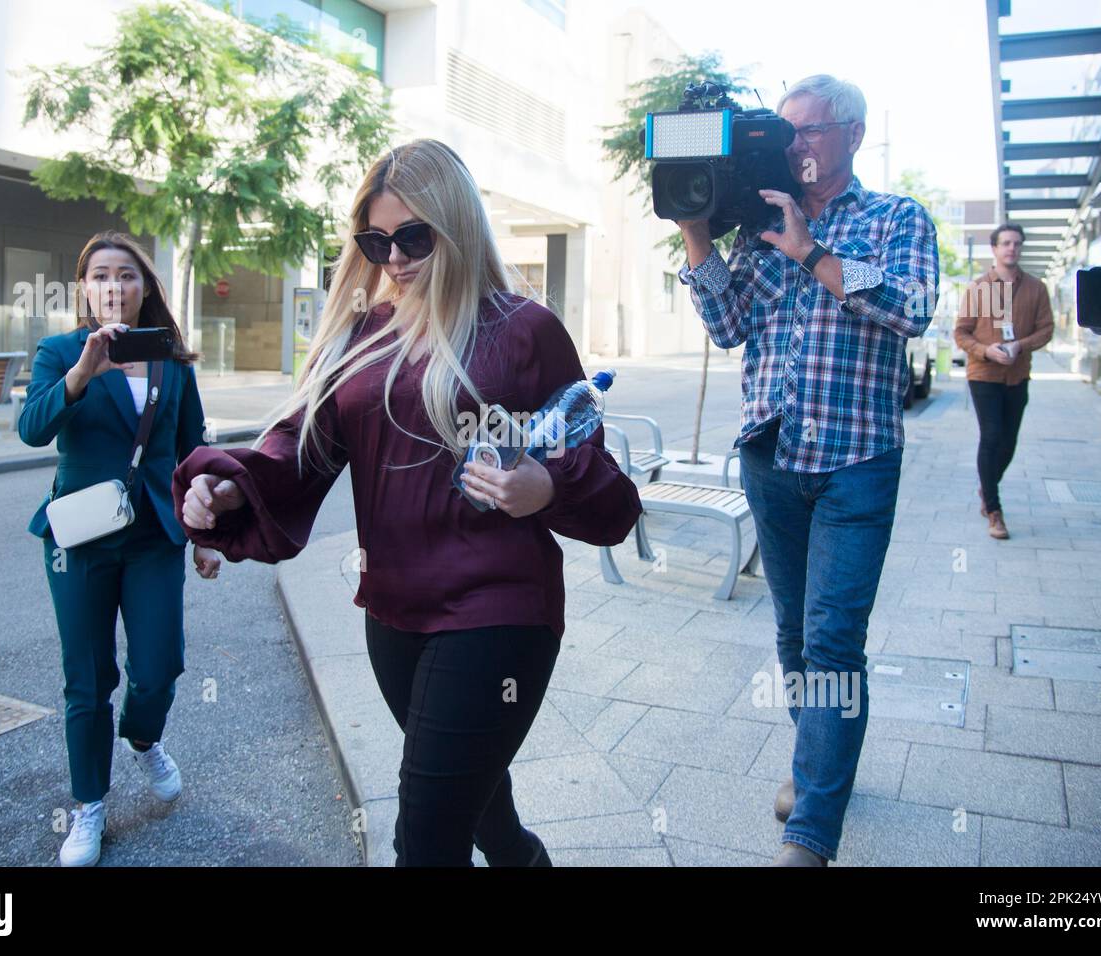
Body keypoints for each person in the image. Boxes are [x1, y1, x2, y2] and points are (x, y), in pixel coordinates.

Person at [173, 139, 642, 867]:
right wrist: (229, 485)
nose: (391, 258)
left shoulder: (524, 330)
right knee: (483, 813)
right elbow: (299, 451)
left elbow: (610, 497)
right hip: (393, 613)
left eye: (412, 237)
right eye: (375, 240)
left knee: (424, 837)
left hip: (499, 613)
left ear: (455, 225)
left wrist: (546, 485)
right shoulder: (361, 336)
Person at [676, 75, 938, 866]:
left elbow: (911, 307)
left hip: (857, 460)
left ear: (853, 134)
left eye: (810, 131)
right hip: (771, 454)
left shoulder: (896, 218)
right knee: (794, 636)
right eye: (784, 132)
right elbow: (727, 327)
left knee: (832, 640)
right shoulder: (759, 228)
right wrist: (697, 235)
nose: (795, 147)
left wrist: (812, 252)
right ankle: (820, 765)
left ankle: (811, 832)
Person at [19, 232, 220, 867]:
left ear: (143, 287)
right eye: (101, 276)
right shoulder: (58, 353)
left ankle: (143, 737)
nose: (114, 287)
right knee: (87, 677)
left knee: (159, 666)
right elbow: (32, 428)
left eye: (126, 276)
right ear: (84, 287)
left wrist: (206, 535)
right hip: (79, 539)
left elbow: (193, 450)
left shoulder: (171, 358)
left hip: (153, 535)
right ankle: (89, 808)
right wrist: (82, 374)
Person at [953, 223, 1053, 539]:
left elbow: (1046, 330)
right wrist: (986, 351)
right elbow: (961, 332)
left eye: (1017, 243)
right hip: (984, 374)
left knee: (1008, 443)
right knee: (992, 435)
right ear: (994, 248)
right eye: (1006, 243)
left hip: (1017, 374)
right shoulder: (978, 288)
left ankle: (987, 488)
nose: (1012, 248)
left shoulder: (1037, 289)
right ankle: (994, 511)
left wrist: (1019, 345)